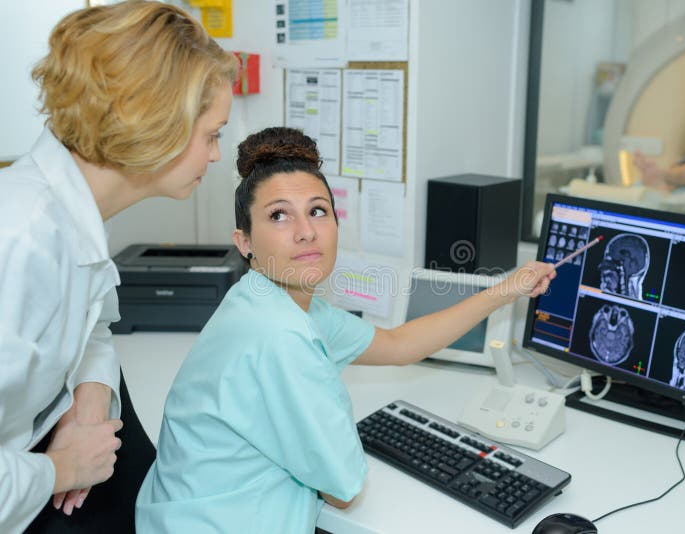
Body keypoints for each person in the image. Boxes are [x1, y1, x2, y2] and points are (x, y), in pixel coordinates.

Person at [135, 127, 556, 532]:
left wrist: (507, 289)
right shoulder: (281, 338)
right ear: (244, 242)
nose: (306, 232)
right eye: (279, 215)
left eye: (318, 210)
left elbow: (398, 343)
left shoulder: (266, 298)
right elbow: (344, 488)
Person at [0, 2, 239, 532]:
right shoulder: (21, 240)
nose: (216, 155)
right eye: (212, 134)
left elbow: (93, 326)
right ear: (157, 122)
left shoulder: (73, 211)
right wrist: (58, 469)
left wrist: (91, 393)